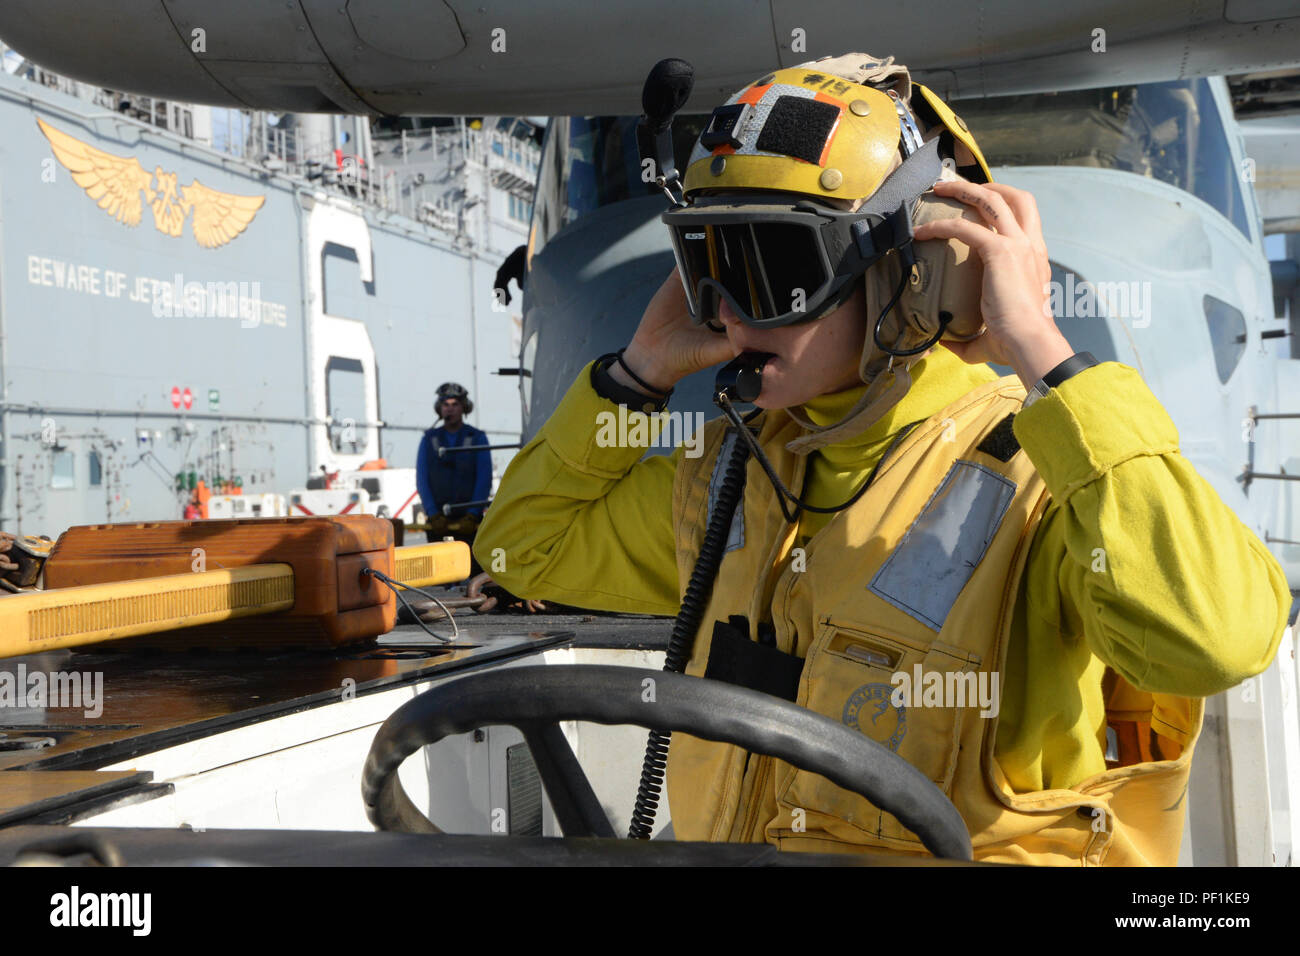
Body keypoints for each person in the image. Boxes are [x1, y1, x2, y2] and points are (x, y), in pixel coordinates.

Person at [472, 53, 1290, 864]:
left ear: (918, 275)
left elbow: (1213, 642)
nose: (727, 310)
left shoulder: (1045, 479)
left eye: (774, 266)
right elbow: (524, 551)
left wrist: (1042, 348)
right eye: (709, 261)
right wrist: (636, 373)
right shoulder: (725, 473)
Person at [416, 382, 492, 555]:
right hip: (437, 523)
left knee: (472, 570)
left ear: (464, 407)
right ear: (439, 408)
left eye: (455, 404)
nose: (450, 409)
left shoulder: (477, 438)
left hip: (469, 523)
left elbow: (484, 478)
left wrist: (473, 513)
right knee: (439, 573)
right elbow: (422, 480)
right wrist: (433, 514)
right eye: (446, 405)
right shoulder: (429, 439)